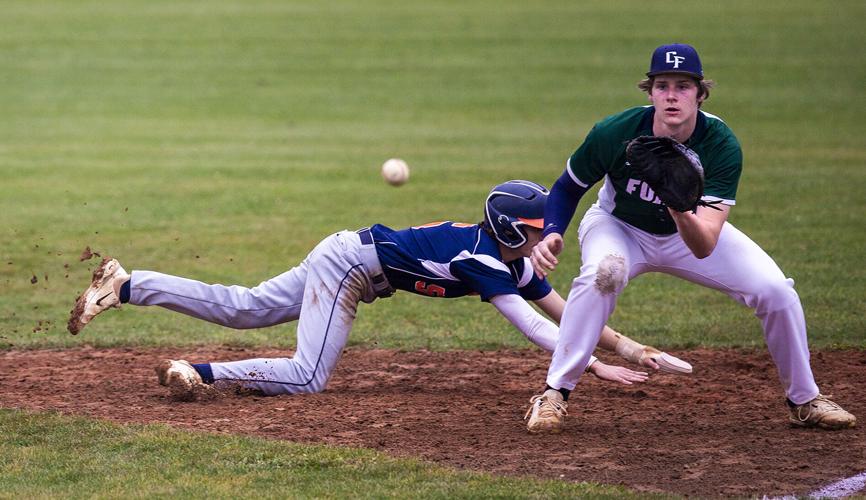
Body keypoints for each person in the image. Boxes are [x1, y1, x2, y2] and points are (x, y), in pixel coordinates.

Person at [67, 180, 690, 400]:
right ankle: (201, 374)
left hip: (347, 253)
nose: (545, 235)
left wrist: (630, 351)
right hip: (349, 268)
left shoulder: (504, 258)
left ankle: (127, 285)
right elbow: (535, 327)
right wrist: (588, 368)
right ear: (510, 231)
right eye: (535, 228)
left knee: (247, 306)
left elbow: (565, 310)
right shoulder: (485, 261)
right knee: (308, 376)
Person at [524, 43, 856, 433]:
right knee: (603, 273)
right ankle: (554, 394)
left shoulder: (720, 143)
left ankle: (805, 399)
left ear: (700, 93)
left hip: (691, 233)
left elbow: (704, 245)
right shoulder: (614, 132)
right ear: (649, 92)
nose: (671, 95)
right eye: (662, 85)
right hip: (619, 226)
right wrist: (551, 233)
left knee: (776, 292)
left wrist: (678, 204)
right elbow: (566, 188)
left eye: (683, 86)